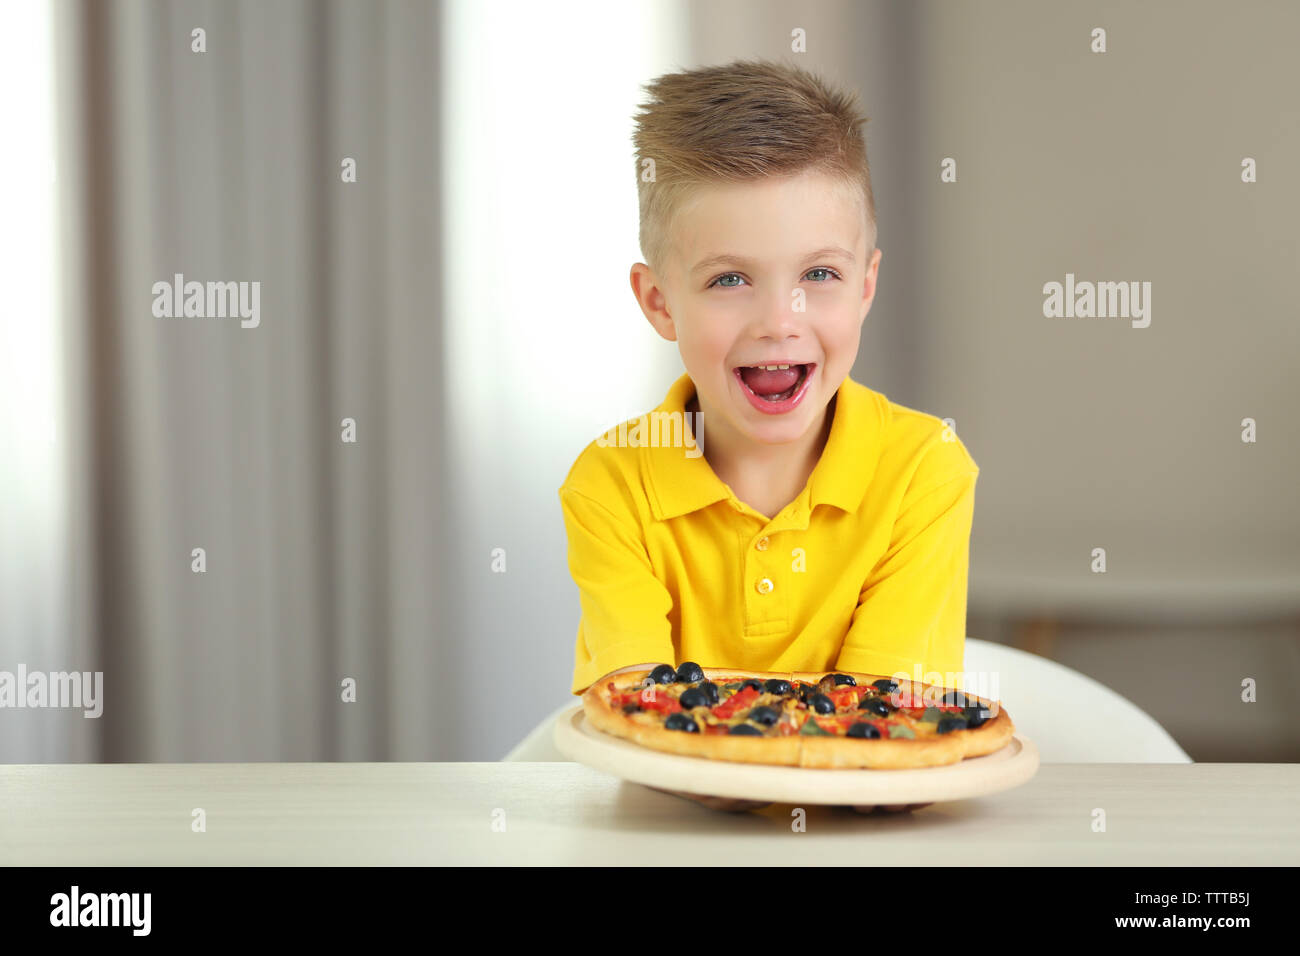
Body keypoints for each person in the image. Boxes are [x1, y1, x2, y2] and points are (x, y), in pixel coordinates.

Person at [558, 58, 978, 812]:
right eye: (729, 280)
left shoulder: (924, 470)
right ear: (659, 302)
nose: (780, 320)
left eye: (819, 274)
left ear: (867, 285)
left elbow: (879, 735)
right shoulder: (612, 484)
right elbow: (639, 725)